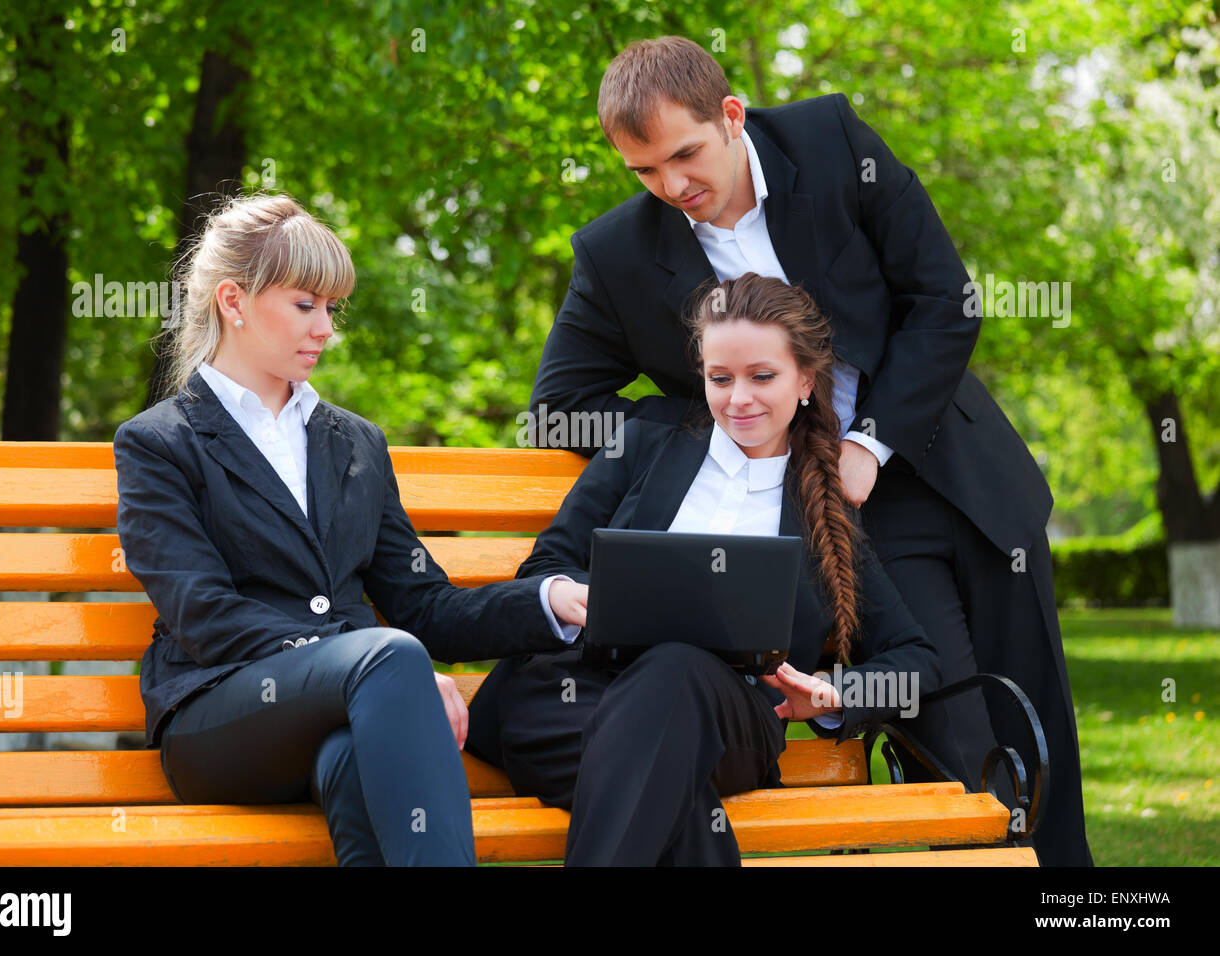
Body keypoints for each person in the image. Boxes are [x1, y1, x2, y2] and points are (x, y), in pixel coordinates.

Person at [527, 36, 1091, 866]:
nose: (673, 186)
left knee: (1038, 728)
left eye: (685, 154)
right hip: (847, 526)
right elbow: (558, 410)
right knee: (963, 756)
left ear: (729, 115)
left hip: (958, 472)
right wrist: (735, 415)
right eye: (644, 170)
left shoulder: (829, 144)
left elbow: (945, 300)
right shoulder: (614, 255)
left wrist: (867, 440)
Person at [113, 193, 584, 866]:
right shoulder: (160, 443)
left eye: (331, 308)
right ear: (234, 301)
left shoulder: (357, 443)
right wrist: (368, 659)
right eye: (306, 304)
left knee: (354, 758)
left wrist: (546, 600)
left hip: (344, 717)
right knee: (388, 662)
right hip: (218, 715)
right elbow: (204, 614)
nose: (325, 329)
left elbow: (423, 605)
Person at [466, 273, 942, 866]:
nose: (738, 398)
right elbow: (548, 564)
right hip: (573, 698)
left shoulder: (826, 514)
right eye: (721, 379)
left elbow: (916, 658)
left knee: (676, 668)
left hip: (731, 722)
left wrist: (833, 694)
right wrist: (575, 596)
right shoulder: (647, 437)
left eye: (761, 377)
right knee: (661, 781)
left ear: (804, 382)